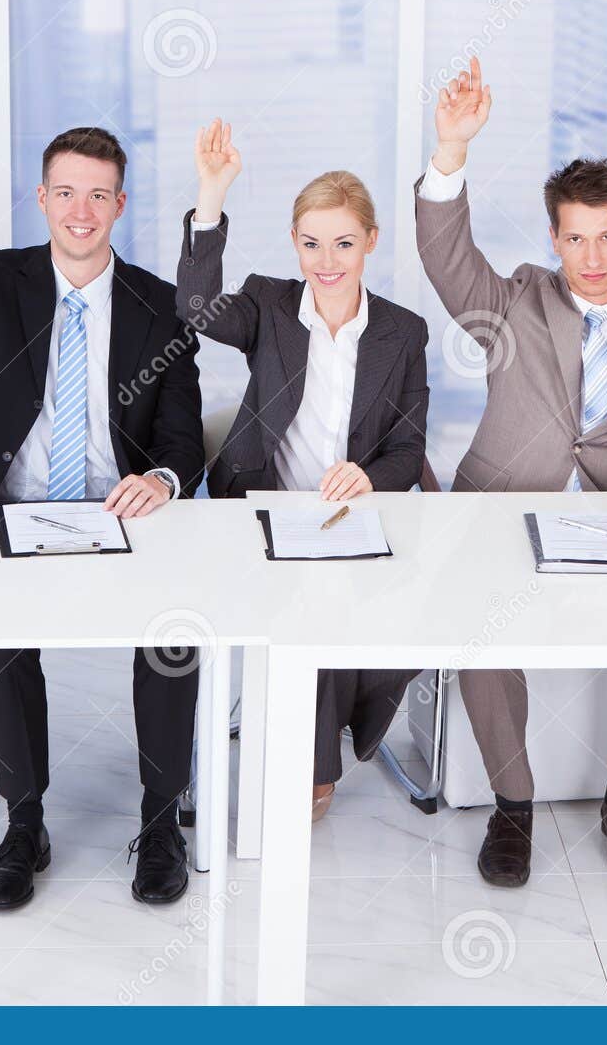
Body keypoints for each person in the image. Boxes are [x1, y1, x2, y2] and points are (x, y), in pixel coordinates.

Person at [0, 56, 205, 909]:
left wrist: (164, 477)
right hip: (9, 512)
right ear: (42, 199)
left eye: (98, 195)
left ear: (120, 205)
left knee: (174, 636)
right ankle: (24, 821)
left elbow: (181, 437)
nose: (80, 210)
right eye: (65, 193)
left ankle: (161, 819)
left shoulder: (161, 306)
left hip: (121, 519)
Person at [415, 58, 607, 885]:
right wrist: (451, 150)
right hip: (501, 515)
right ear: (555, 239)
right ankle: (511, 805)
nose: (591, 255)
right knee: (481, 628)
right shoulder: (516, 300)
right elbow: (447, 258)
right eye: (575, 238)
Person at [176, 119, 429, 820]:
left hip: (353, 517)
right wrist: (210, 196)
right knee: (318, 604)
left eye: (343, 243)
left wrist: (368, 479)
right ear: (295, 243)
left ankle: (332, 720)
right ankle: (317, 767)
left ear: (370, 241)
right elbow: (194, 307)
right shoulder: (269, 304)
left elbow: (408, 450)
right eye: (312, 243)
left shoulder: (403, 332)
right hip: (261, 511)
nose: (327, 260)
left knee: (398, 610)